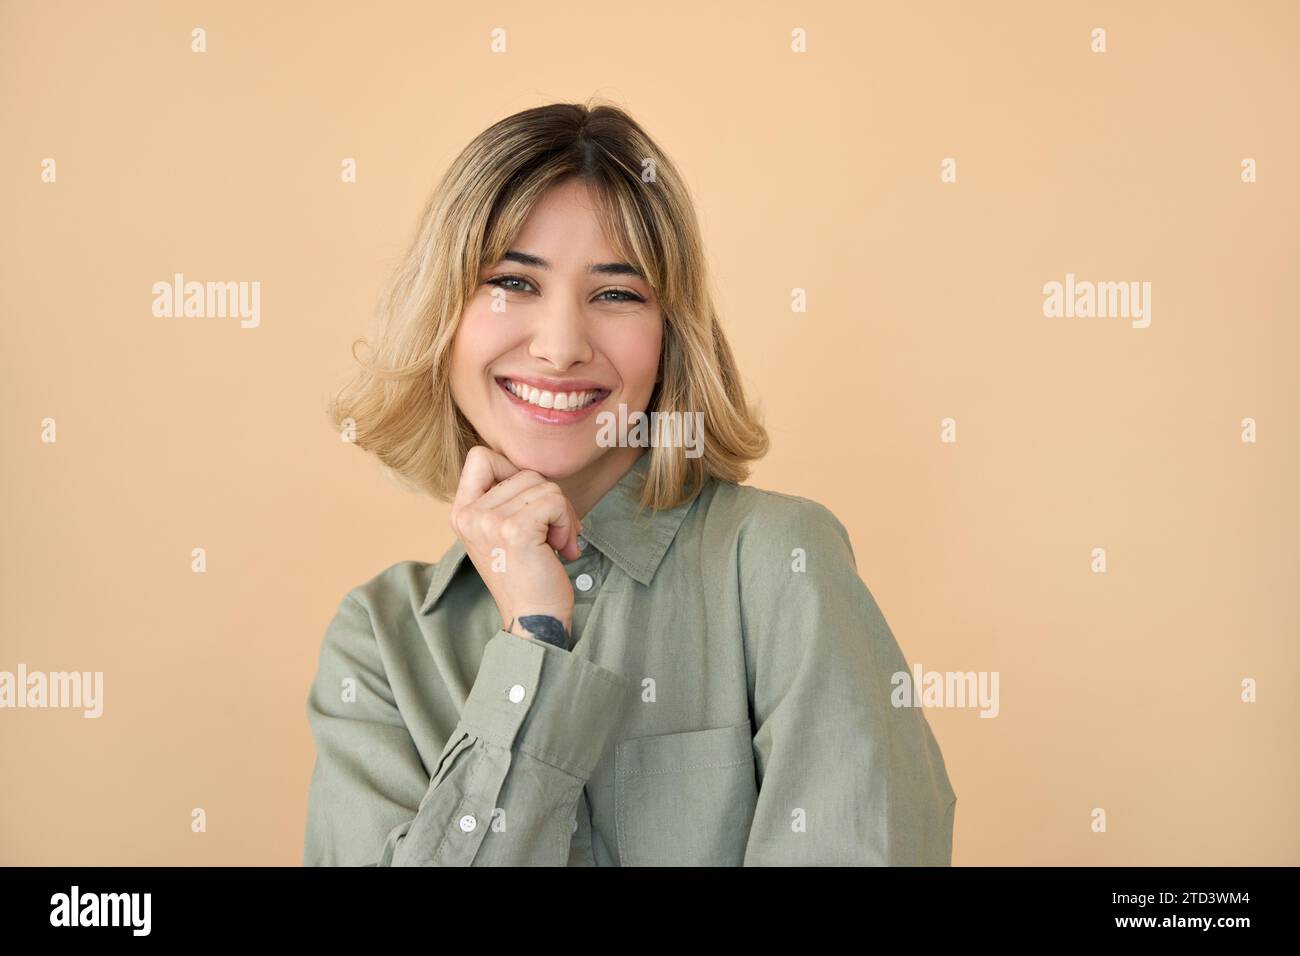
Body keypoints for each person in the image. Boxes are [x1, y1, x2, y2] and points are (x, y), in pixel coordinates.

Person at [304, 100, 957, 866]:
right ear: (444, 317)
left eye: (616, 294)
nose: (558, 348)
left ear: (670, 336)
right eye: (512, 281)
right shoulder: (380, 641)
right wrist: (535, 643)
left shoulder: (781, 562)